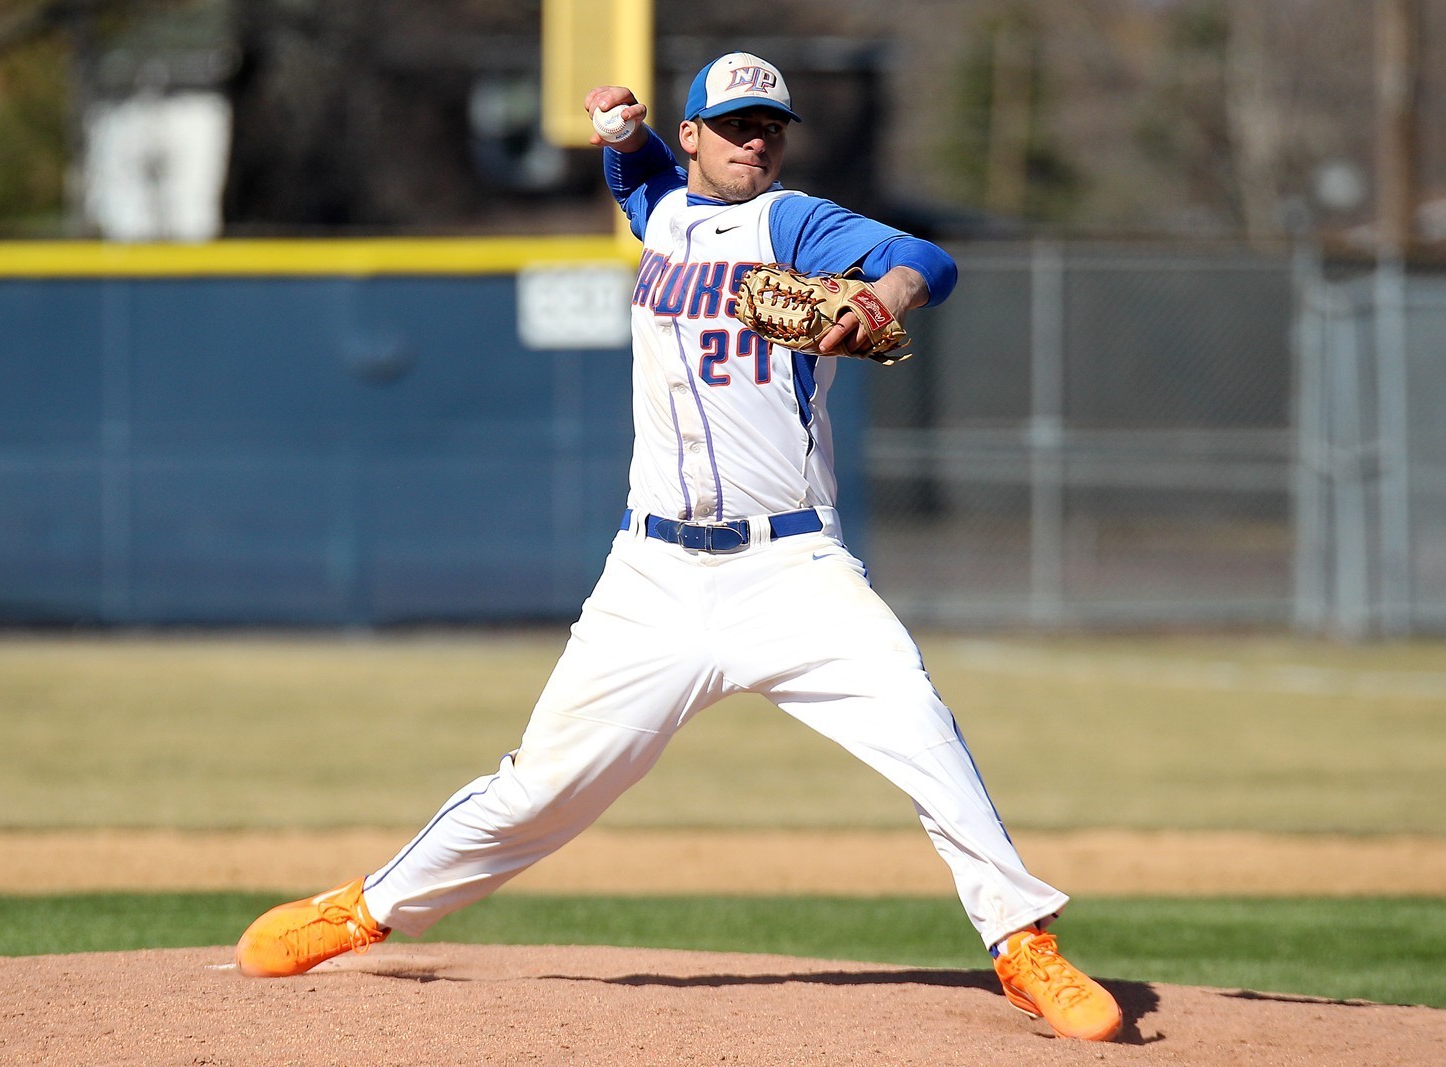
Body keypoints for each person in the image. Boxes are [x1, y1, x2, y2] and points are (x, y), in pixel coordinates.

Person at [233, 51, 1123, 1043]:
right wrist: (621, 136)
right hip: (651, 575)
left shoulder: (788, 222)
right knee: (541, 786)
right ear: (692, 133)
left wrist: (884, 296)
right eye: (734, 123)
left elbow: (930, 256)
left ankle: (1023, 942)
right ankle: (365, 907)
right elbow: (640, 182)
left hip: (789, 569)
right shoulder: (661, 211)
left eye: (771, 126)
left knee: (918, 724)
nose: (755, 139)